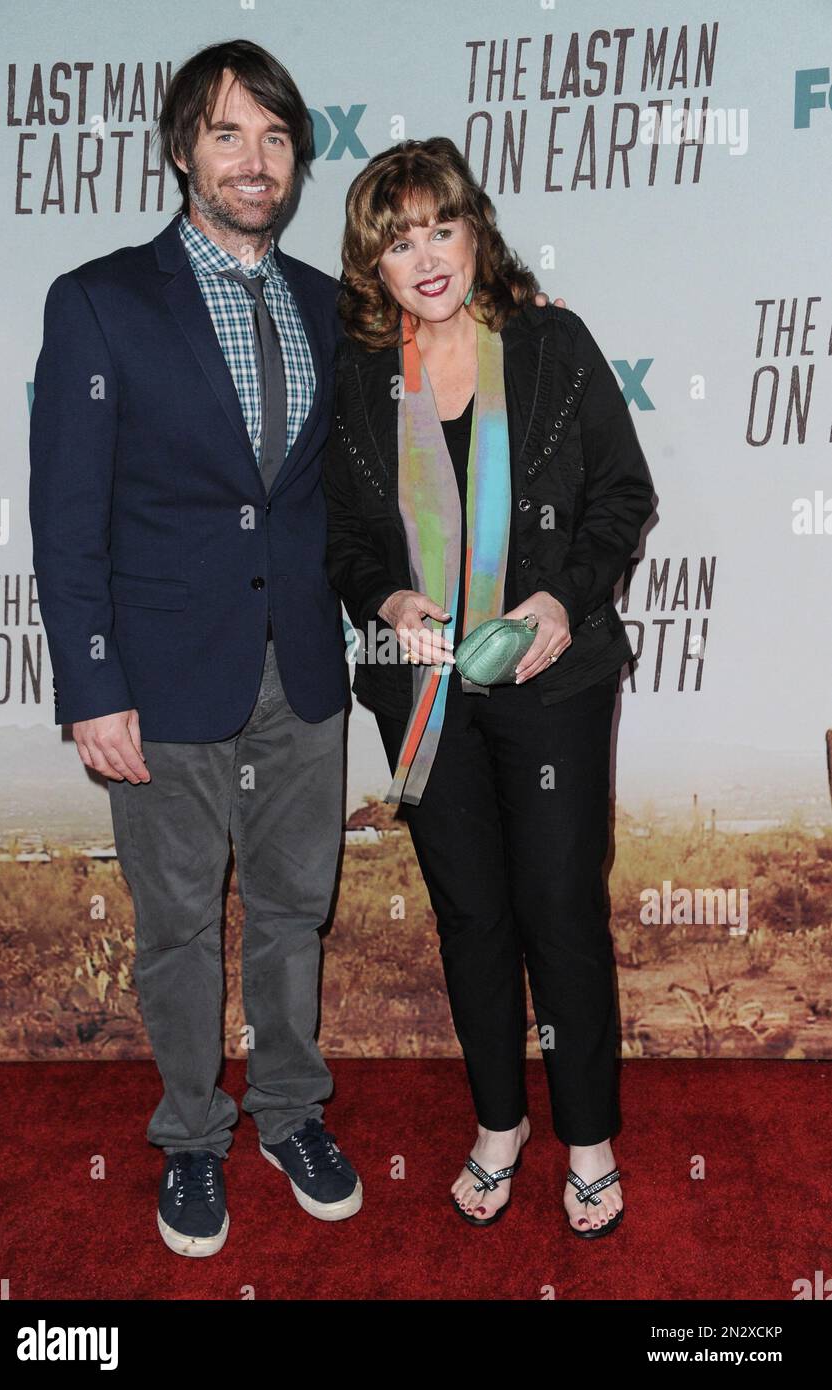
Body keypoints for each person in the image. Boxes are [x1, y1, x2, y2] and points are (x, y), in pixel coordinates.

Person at [28, 40, 365, 1257]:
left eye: (275, 136)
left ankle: (289, 1111)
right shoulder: (103, 298)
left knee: (292, 908)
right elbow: (67, 515)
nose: (254, 159)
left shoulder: (334, 306)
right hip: (160, 673)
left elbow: (357, 488)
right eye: (228, 133)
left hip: (302, 668)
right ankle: (187, 1134)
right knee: (174, 920)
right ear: (183, 149)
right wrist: (91, 685)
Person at [323, 138, 656, 1236]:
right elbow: (341, 539)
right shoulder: (363, 380)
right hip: (421, 694)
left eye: (439, 227)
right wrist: (386, 601)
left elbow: (621, 494)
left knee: (559, 908)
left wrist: (560, 602)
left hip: (549, 679)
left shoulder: (551, 344)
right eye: (395, 238)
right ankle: (499, 1124)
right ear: (371, 265)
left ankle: (590, 1136)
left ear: (476, 232)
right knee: (471, 913)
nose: (422, 255)